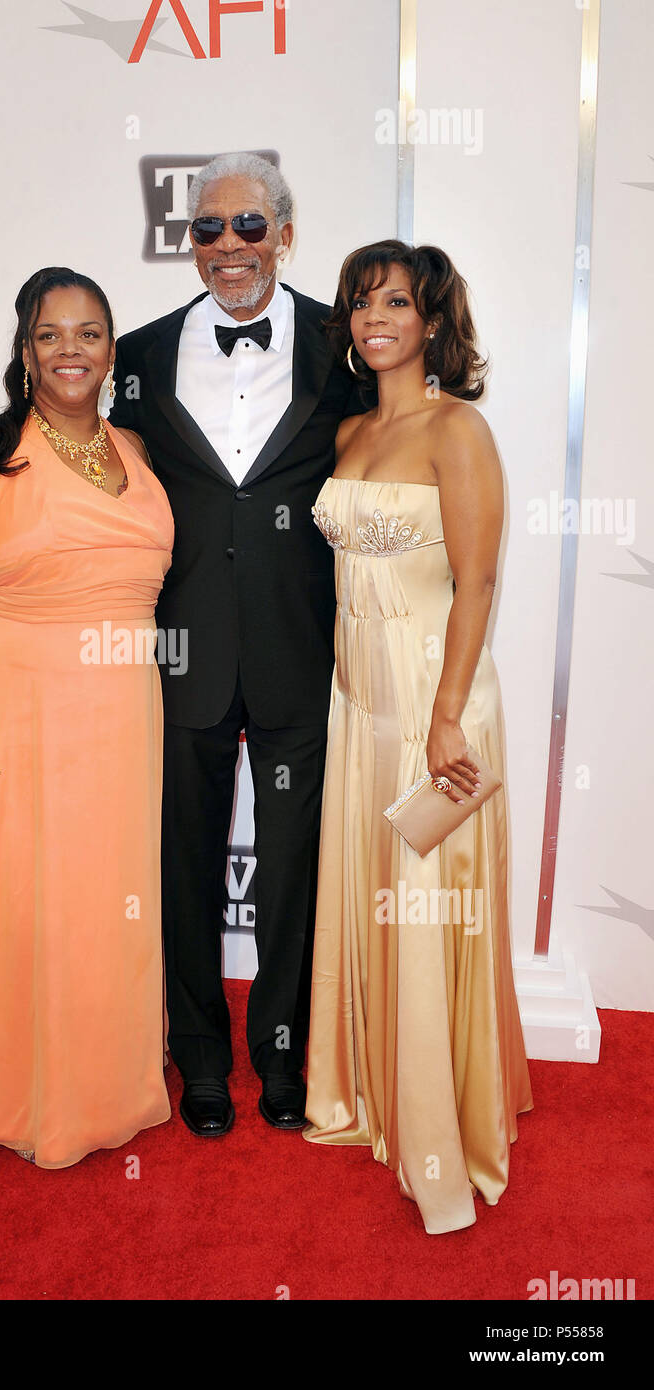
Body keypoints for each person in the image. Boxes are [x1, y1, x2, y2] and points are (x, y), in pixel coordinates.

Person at [108, 152, 364, 1137]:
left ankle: (285, 1054)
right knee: (182, 867)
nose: (228, 246)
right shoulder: (135, 352)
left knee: (295, 868)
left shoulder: (346, 347)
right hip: (181, 656)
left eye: (247, 226)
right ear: (188, 243)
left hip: (305, 649)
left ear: (283, 234)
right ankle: (200, 1057)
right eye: (207, 229)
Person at [0, 267, 172, 1168]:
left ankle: (105, 1081)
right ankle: (8, 1091)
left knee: (106, 896)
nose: (72, 350)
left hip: (121, 713)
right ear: (25, 352)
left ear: (112, 349)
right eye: (51, 334)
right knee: (17, 896)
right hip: (14, 705)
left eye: (90, 332)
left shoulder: (137, 449)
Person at [303, 239, 533, 1234]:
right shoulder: (350, 429)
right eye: (359, 302)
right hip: (359, 702)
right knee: (373, 895)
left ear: (431, 319)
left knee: (424, 905)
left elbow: (475, 581)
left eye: (394, 302)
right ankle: (371, 1091)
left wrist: (443, 715)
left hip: (432, 703)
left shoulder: (457, 430)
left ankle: (440, 1128)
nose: (372, 318)